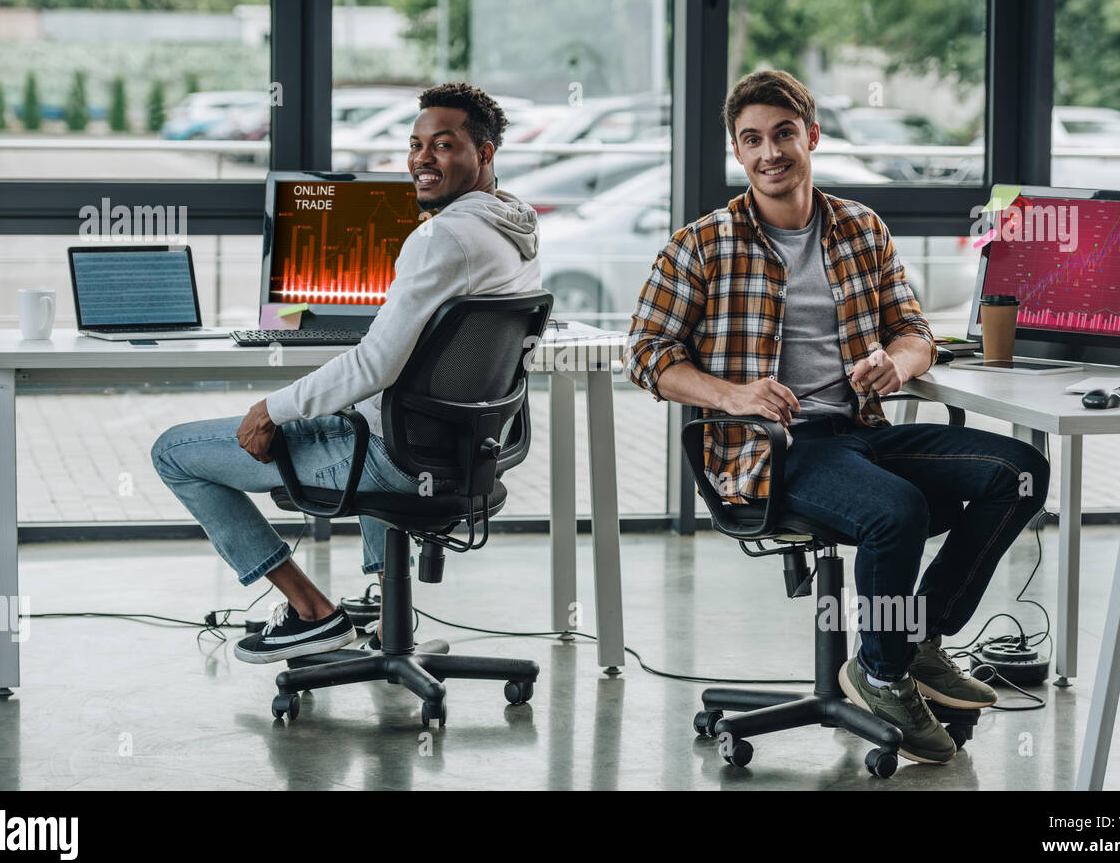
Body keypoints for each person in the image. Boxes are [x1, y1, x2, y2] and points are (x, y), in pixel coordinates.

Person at [623, 69, 1049, 764]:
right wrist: (733, 395)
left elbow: (915, 331)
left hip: (859, 431)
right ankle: (880, 674)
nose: (770, 153)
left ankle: (913, 640)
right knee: (896, 509)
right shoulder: (701, 244)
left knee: (1022, 471)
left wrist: (897, 363)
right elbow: (644, 354)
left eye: (783, 133)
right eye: (752, 139)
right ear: (738, 151)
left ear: (811, 135)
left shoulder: (860, 228)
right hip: (771, 449)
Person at [152, 83, 541, 663]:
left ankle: (313, 613)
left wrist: (270, 409)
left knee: (173, 453)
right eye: (415, 145)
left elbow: (373, 363)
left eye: (443, 144)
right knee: (362, 408)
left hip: (395, 460)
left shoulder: (443, 236)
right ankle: (390, 617)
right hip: (462, 453)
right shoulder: (518, 231)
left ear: (483, 153)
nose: (422, 159)